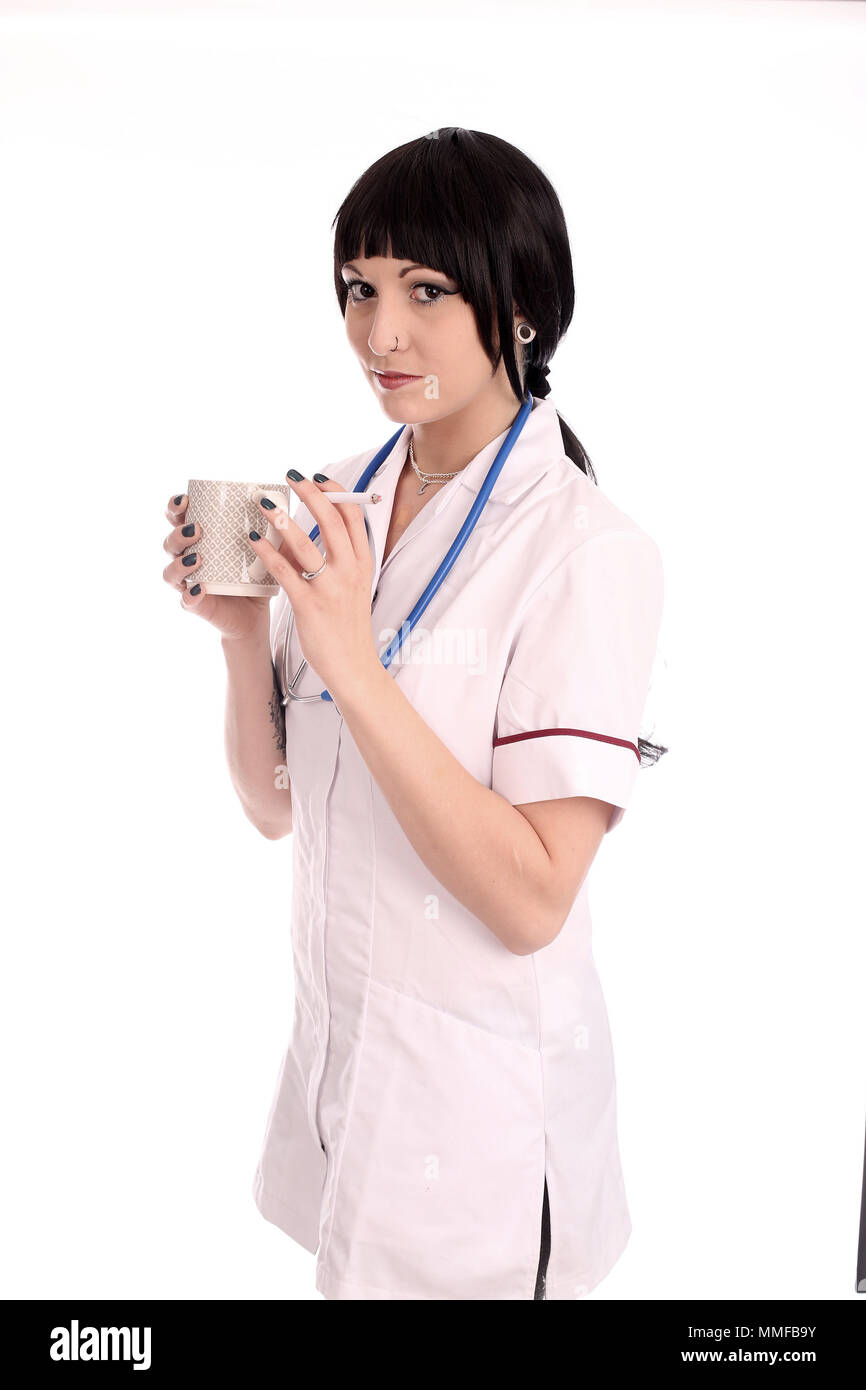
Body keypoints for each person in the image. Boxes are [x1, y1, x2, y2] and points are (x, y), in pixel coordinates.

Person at [162, 127, 667, 1301]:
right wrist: (247, 642)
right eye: (360, 287)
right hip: (346, 1077)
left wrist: (347, 654)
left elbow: (532, 897)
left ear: (523, 306)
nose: (379, 334)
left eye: (425, 291)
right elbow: (274, 809)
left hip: (477, 1127)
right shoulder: (342, 500)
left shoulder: (585, 552)